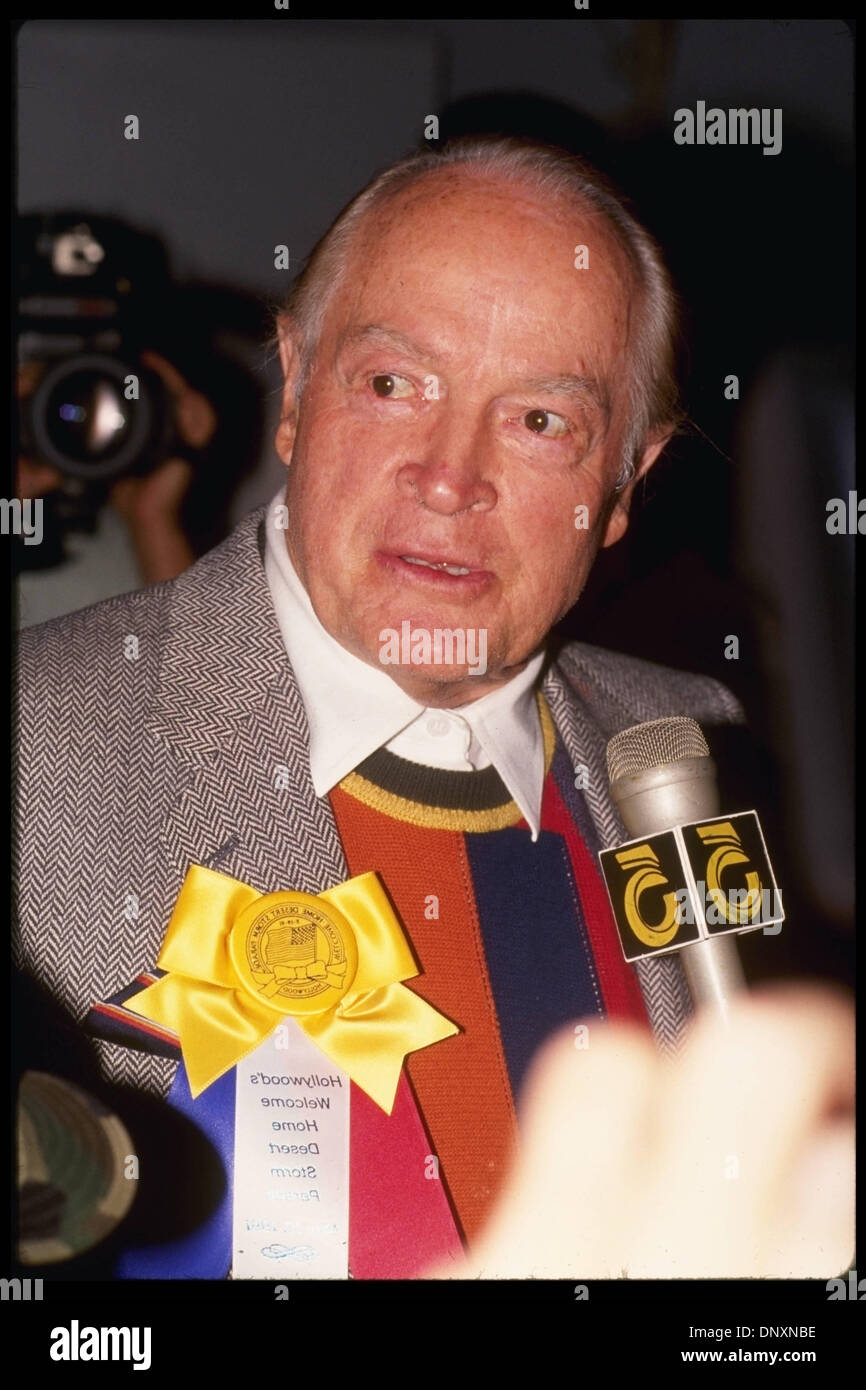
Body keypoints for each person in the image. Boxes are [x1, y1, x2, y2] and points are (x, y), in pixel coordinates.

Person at [13, 135, 853, 1281]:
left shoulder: (691, 750)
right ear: (296, 389)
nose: (449, 476)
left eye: (541, 421)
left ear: (625, 485)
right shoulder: (34, 749)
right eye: (393, 384)